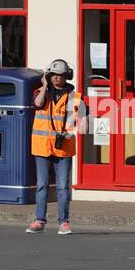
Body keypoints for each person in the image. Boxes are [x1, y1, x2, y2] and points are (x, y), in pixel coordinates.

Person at [26, 59, 85, 235]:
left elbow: (82, 120)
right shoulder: (41, 92)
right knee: (42, 185)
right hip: (42, 147)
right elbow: (37, 104)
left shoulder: (75, 96)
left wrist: (71, 131)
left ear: (67, 76)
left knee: (62, 187)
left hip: (63, 147)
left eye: (59, 75)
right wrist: (44, 85)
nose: (56, 78)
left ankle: (64, 222)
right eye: (53, 75)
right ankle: (39, 221)